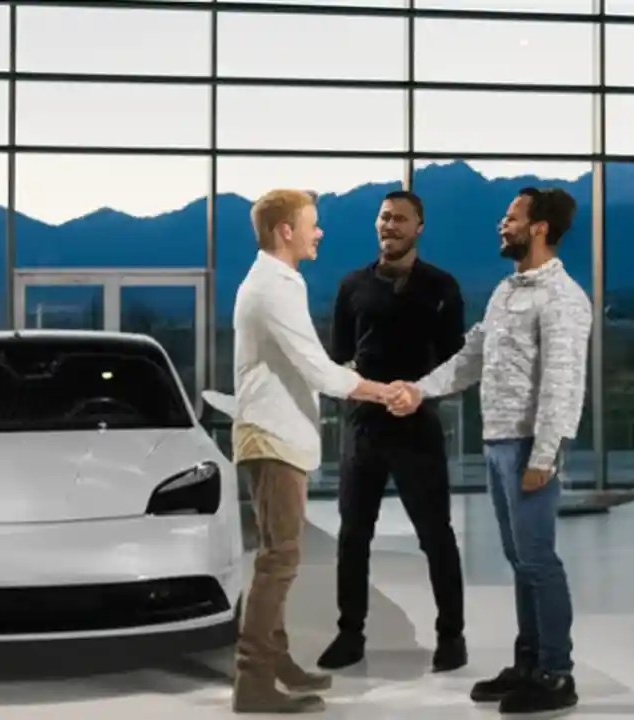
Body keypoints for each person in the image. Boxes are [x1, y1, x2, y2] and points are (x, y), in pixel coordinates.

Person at [387, 187, 592, 715]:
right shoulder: (507, 292)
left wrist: (544, 457)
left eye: (512, 217)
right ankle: (528, 663)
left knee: (539, 561)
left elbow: (562, 386)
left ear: (540, 227)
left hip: (530, 448)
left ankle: (557, 673)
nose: (502, 225)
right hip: (500, 443)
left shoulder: (563, 298)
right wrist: (418, 389)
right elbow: (471, 355)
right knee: (520, 560)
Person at [230, 188, 390, 714]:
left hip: (275, 434)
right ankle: (252, 683)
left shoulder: (277, 282)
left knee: (277, 554)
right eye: (312, 224)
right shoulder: (273, 288)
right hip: (273, 436)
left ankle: (277, 663)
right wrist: (382, 391)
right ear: (285, 231)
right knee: (280, 560)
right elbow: (317, 369)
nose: (318, 232)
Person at [316, 190, 468, 673]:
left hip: (417, 423)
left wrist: (417, 393)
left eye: (401, 219)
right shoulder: (351, 286)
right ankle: (349, 633)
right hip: (363, 425)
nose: (390, 226)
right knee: (353, 535)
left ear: (419, 226)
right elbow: (341, 358)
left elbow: (455, 363)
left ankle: (452, 637)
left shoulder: (441, 287)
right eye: (384, 218)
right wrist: (365, 393)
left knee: (435, 534)